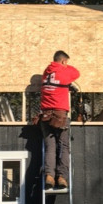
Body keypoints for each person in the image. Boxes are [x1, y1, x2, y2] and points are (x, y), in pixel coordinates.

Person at [40, 50, 80, 192]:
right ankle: (62, 178)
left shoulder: (46, 72)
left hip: (45, 115)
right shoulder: (65, 73)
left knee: (50, 147)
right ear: (63, 61)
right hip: (60, 115)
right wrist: (65, 66)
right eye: (66, 62)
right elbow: (76, 73)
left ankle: (49, 177)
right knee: (64, 146)